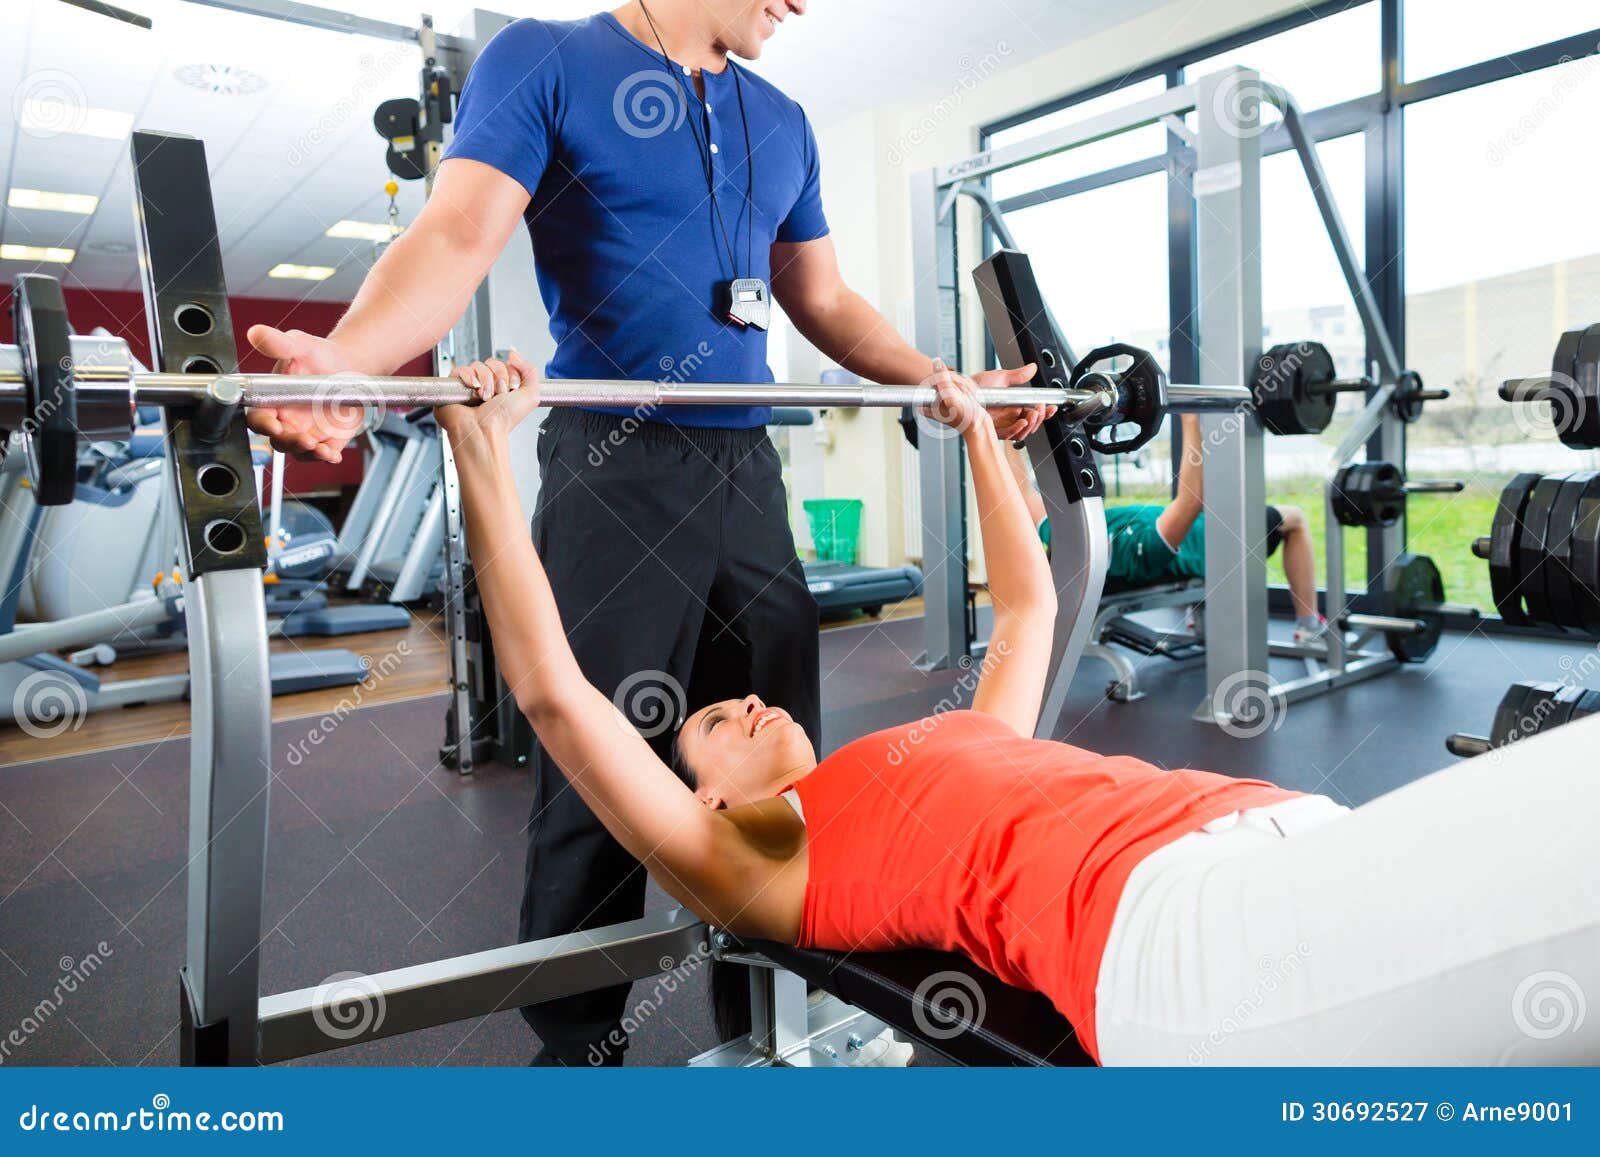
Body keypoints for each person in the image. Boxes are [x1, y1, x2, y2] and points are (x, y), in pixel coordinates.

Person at [242, 1, 1047, 1065]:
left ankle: (771, 1024)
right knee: (598, 766)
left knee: (776, 764)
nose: (801, 4)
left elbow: (821, 296)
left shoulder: (783, 118)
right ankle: (580, 1053)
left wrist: (941, 381)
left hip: (746, 465)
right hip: (615, 464)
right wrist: (351, 360)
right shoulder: (547, 59)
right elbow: (457, 232)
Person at [435, 361, 1599, 1066]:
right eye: (713, 730)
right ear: (706, 802)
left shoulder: (952, 739)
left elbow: (1031, 603)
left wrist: (984, 441)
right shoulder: (754, 865)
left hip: (1288, 843)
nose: (741, 700)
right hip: (1191, 942)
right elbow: (555, 691)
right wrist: (481, 451)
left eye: (731, 701)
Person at [1007, 414, 1328, 644]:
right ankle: (1309, 624)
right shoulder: (1135, 553)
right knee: (1295, 519)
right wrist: (1189, 419)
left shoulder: (1061, 533)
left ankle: (1203, 611)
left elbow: (1019, 488)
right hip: (1225, 542)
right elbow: (1190, 501)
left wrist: (1011, 424)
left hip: (1204, 521)